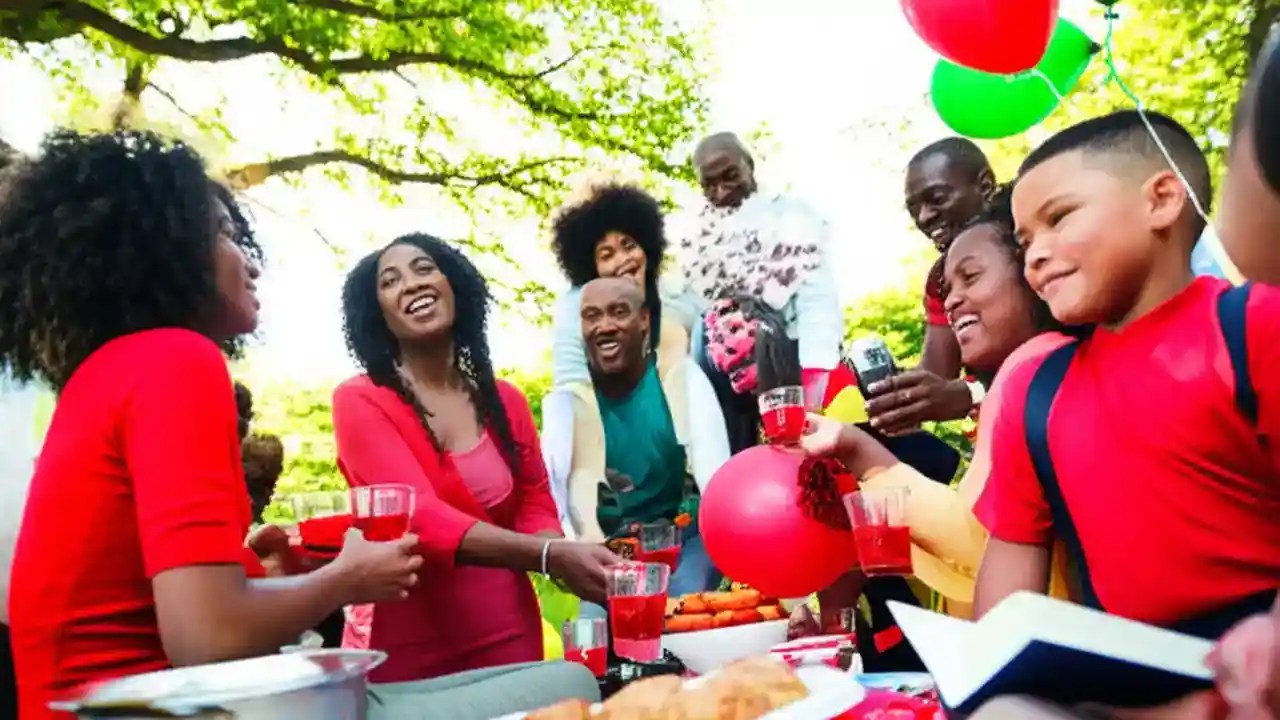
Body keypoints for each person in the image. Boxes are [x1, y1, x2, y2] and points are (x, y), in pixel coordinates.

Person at [0, 130, 422, 720]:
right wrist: (346, 581)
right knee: (559, 684)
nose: (248, 259)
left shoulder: (106, 374)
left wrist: (271, 577)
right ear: (160, 251)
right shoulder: (177, 360)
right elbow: (208, 637)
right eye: (224, 233)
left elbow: (161, 608)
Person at [969, 111, 1280, 712]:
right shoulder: (1035, 390)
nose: (1036, 255)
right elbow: (1006, 607)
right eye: (1025, 241)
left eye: (1059, 219)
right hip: (1130, 691)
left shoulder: (1253, 326)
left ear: (1161, 200)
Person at [333, 233, 617, 695]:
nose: (410, 283)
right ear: (376, 313)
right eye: (390, 280)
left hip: (510, 634)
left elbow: (534, 504)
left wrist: (565, 557)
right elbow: (418, 516)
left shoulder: (505, 401)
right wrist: (548, 555)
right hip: (409, 649)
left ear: (454, 285)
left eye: (424, 268)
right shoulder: (360, 401)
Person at [799, 186, 1072, 620]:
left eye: (971, 276)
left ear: (1032, 273)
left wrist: (862, 454)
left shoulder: (1029, 369)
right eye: (947, 287)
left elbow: (976, 544)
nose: (952, 300)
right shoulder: (1042, 370)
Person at [553, 276, 728, 595]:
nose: (604, 326)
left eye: (618, 312)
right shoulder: (568, 403)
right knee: (595, 634)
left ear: (644, 320)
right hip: (608, 555)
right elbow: (557, 503)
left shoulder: (681, 379)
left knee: (678, 615)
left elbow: (718, 483)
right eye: (592, 316)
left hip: (686, 542)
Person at [676, 132, 843, 451]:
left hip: (791, 361)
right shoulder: (702, 238)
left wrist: (815, 385)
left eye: (730, 176)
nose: (722, 191)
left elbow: (817, 305)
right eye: (709, 184)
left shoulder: (793, 216)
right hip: (727, 377)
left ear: (749, 166)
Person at [866, 138, 998, 435]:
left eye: (937, 198)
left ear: (985, 186)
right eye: (914, 209)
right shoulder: (939, 279)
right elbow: (935, 377)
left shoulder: (1030, 247)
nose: (924, 217)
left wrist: (969, 395)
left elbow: (1062, 355)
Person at [548, 183, 698, 390]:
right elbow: (570, 385)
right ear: (593, 268)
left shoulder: (677, 293)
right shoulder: (575, 309)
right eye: (607, 255)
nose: (623, 260)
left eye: (629, 246)